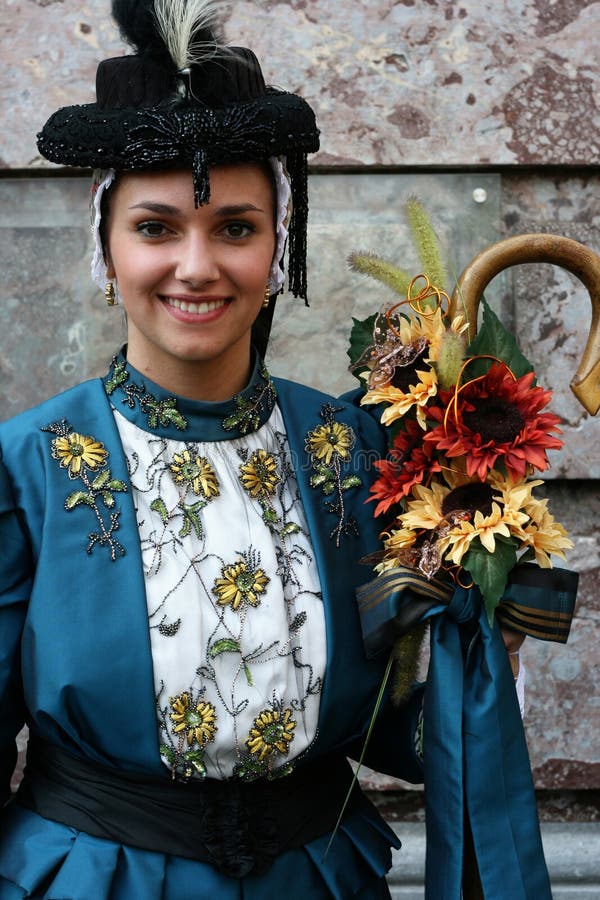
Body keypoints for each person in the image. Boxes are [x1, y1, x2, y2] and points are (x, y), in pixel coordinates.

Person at [0, 2, 551, 898]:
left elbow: (401, 734)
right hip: (94, 879)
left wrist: (483, 622)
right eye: (154, 227)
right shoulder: (26, 465)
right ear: (104, 246)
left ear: (278, 246)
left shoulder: (355, 447)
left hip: (317, 877)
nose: (196, 265)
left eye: (236, 227)